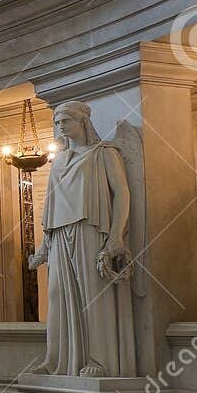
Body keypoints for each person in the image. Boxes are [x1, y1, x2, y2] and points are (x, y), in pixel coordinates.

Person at [29, 101, 135, 377]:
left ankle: (99, 360)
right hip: (58, 234)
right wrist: (43, 248)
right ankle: (56, 360)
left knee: (92, 295)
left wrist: (116, 235)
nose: (60, 127)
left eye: (66, 121)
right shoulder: (59, 161)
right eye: (57, 122)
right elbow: (50, 206)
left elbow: (122, 193)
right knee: (57, 297)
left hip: (89, 229)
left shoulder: (103, 153)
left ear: (83, 122)